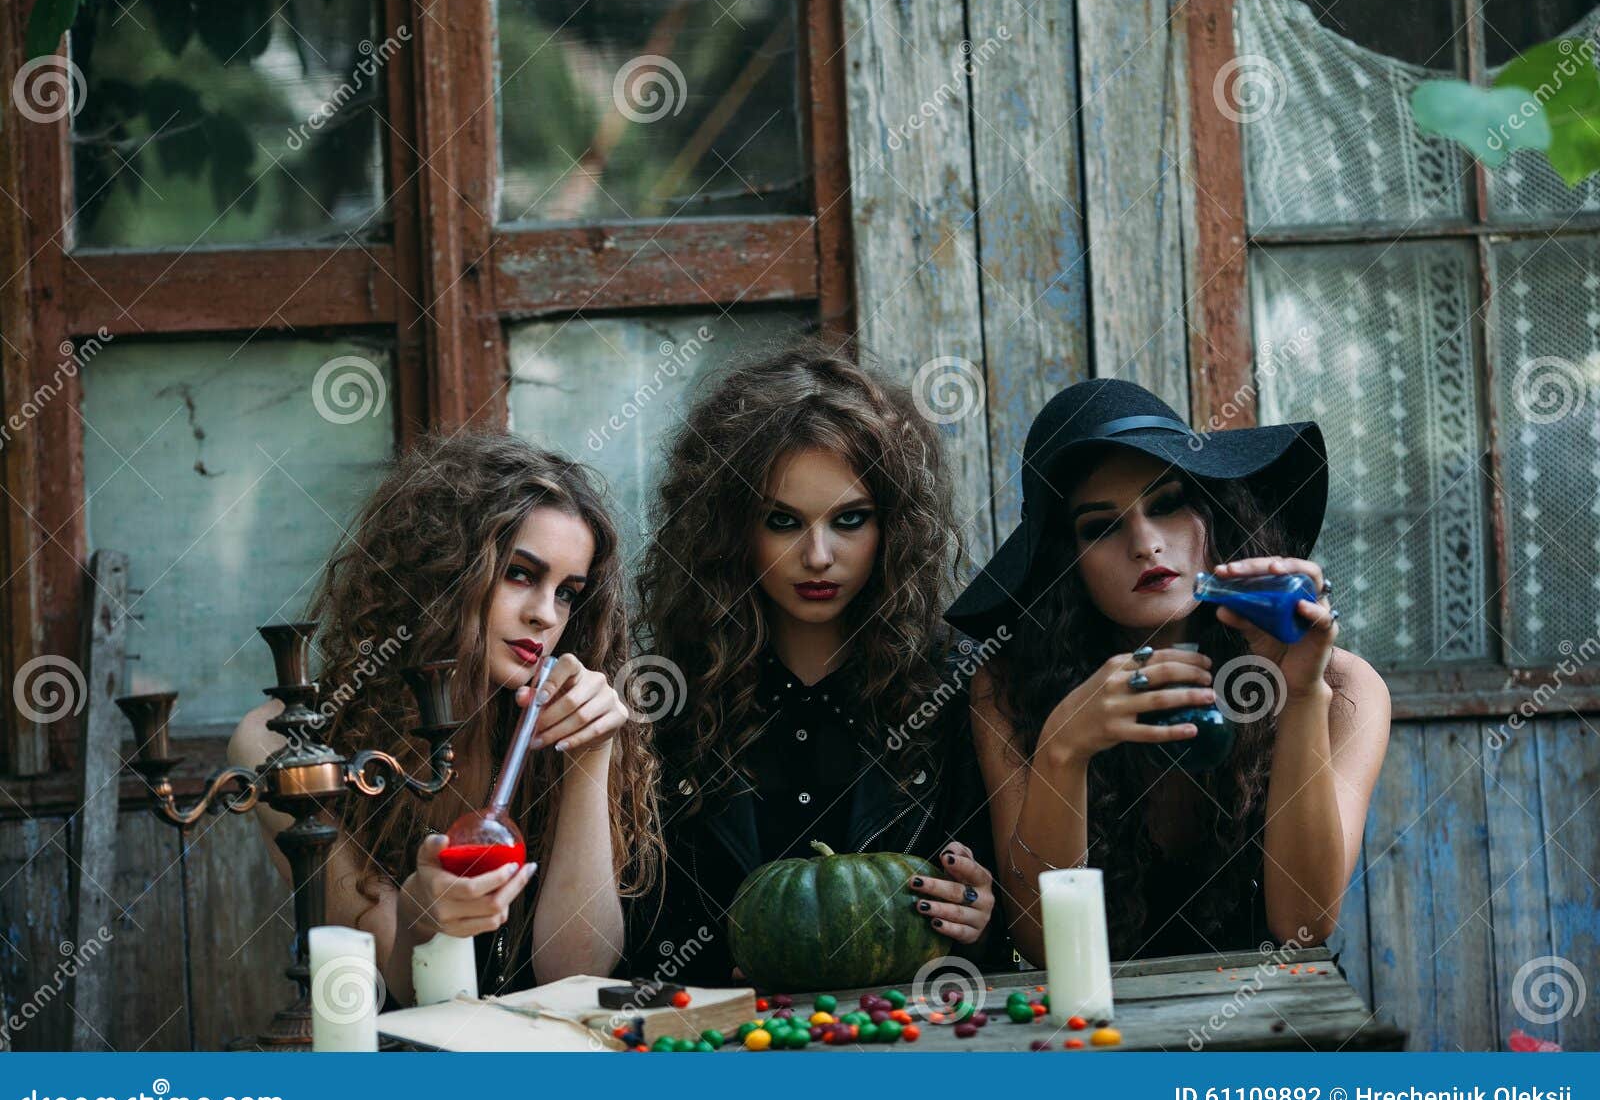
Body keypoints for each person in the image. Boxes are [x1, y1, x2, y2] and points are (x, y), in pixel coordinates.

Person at [946, 378, 1390, 965]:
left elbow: (1303, 926)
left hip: (1274, 1012)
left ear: (1213, 513)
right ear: (1066, 563)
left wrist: (1302, 692)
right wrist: (1063, 749)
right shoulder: (1008, 689)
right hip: (1095, 1018)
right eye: (1101, 526)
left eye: (1166, 504)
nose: (1146, 544)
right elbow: (1047, 945)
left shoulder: (1345, 688)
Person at [229, 431, 662, 1005]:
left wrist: (590, 754)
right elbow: (396, 984)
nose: (544, 615)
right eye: (519, 574)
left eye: (567, 592)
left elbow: (574, 972)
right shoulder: (286, 744)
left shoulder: (553, 718)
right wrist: (421, 915)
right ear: (442, 572)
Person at [628, 341, 1002, 984]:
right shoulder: (664, 699)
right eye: (782, 521)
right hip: (727, 1037)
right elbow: (637, 935)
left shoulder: (961, 683)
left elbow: (1011, 926)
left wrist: (982, 915)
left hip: (916, 1032)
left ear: (893, 527)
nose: (819, 556)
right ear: (729, 531)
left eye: (850, 520)